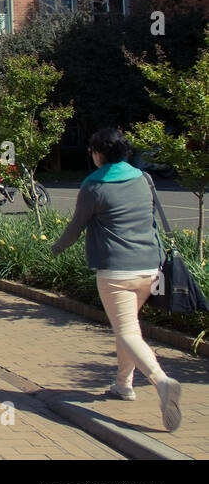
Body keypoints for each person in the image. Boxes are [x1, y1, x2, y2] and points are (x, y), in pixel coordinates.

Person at [50, 127, 181, 430]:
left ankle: (162, 382)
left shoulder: (94, 186)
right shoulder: (143, 178)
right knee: (128, 328)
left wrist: (56, 248)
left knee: (126, 331)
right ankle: (123, 384)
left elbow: (75, 227)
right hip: (150, 267)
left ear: (99, 153)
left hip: (116, 271)